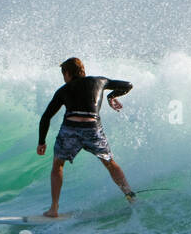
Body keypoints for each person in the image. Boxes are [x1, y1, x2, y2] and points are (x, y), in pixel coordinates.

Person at [37, 57, 134, 216]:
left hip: (71, 128)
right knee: (109, 162)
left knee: (58, 165)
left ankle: (54, 208)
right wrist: (111, 96)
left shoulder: (63, 90)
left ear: (67, 73)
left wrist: (41, 142)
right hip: (92, 126)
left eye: (64, 74)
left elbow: (46, 117)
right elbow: (128, 85)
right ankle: (130, 196)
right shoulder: (100, 81)